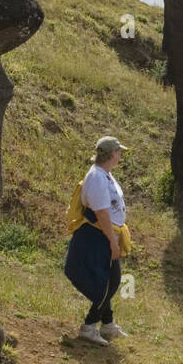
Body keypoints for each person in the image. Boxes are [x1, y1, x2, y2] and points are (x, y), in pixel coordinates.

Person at [65, 135, 131, 346]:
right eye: (119, 152)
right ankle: (89, 326)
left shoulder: (105, 175)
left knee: (109, 278)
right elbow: (102, 213)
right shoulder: (96, 177)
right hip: (97, 236)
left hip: (105, 235)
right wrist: (112, 241)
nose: (120, 155)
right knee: (110, 283)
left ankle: (108, 323)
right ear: (112, 154)